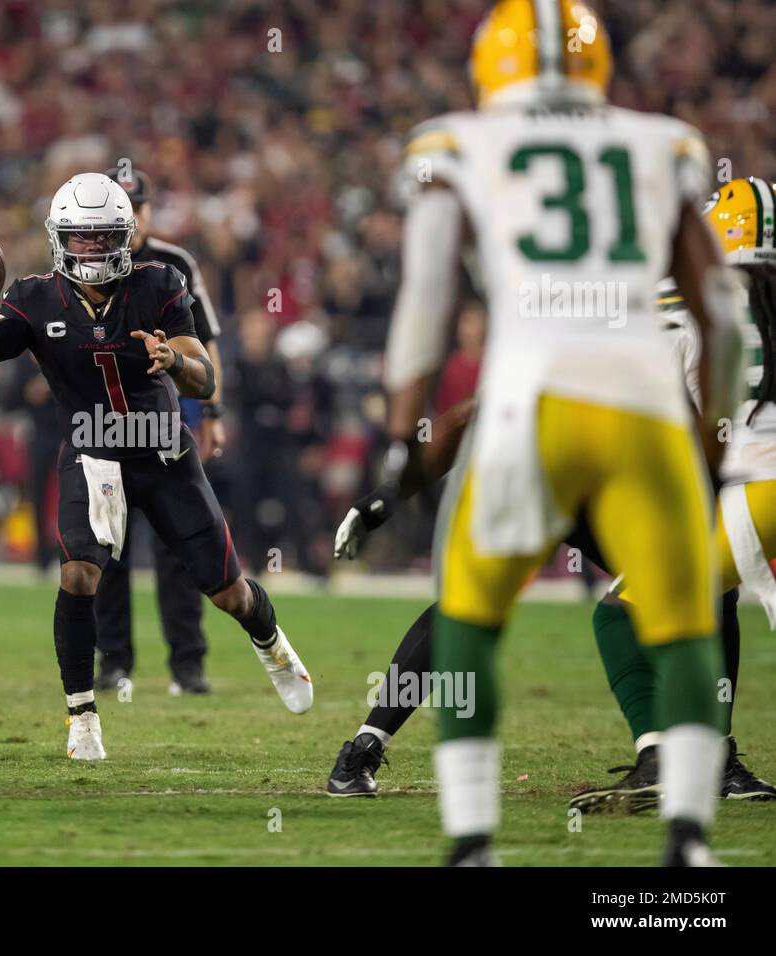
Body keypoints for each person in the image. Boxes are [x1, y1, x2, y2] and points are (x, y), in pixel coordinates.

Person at [375, 0, 742, 865]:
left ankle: (472, 842)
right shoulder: (664, 143)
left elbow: (427, 301)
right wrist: (715, 451)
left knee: (467, 614)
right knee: (685, 620)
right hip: (645, 402)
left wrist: (401, 436)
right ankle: (687, 839)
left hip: (527, 400)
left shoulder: (456, 143)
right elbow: (721, 316)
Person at [0, 172, 311, 760]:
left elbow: (205, 374)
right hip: (90, 449)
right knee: (79, 573)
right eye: (78, 237)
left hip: (162, 448)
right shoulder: (35, 295)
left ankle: (272, 643)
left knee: (229, 592)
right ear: (60, 239)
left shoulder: (159, 281)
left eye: (101, 236)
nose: (89, 249)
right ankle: (82, 717)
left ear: (126, 237)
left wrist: (175, 363)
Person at [92, 167, 226, 695]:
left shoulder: (174, 264)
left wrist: (213, 412)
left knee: (180, 547)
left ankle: (187, 665)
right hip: (105, 425)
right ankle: (114, 663)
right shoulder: (83, 261)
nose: (132, 215)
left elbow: (206, 341)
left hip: (167, 426)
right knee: (109, 545)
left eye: (137, 204)